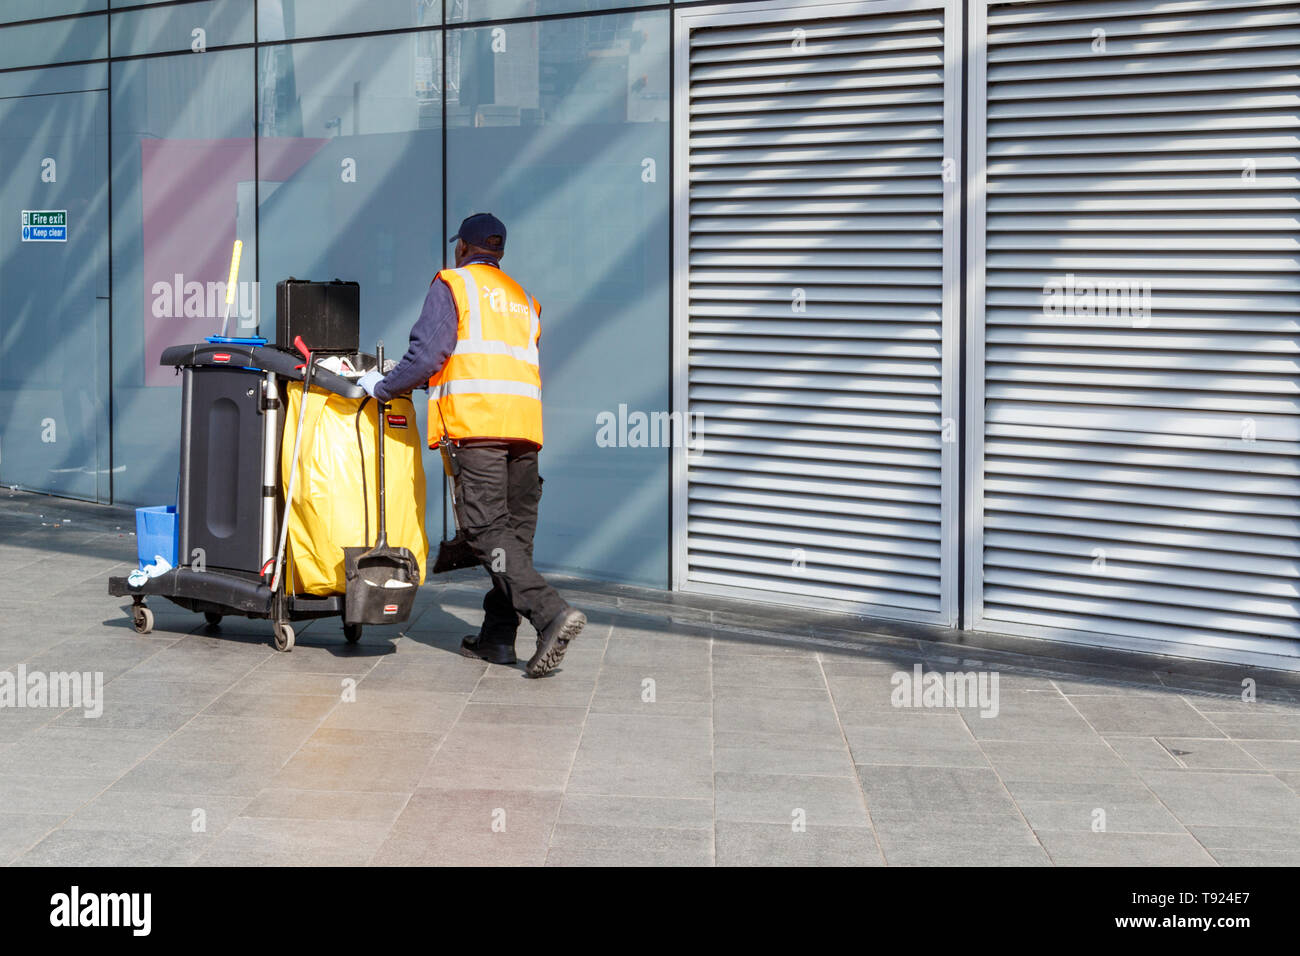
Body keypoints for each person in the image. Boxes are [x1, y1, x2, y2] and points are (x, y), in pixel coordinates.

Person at [357, 213, 585, 677]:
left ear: (463, 247)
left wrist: (380, 386)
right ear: (498, 251)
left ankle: (549, 613)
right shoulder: (525, 299)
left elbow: (428, 355)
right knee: (514, 538)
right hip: (524, 433)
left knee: (484, 531)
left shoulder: (453, 285)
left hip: (478, 429)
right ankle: (497, 640)